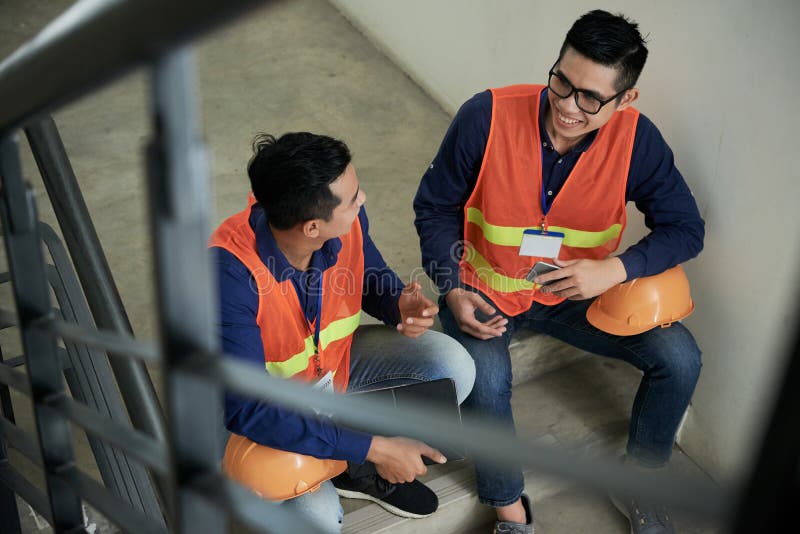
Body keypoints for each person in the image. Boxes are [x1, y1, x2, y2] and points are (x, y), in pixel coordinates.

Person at [414, 10, 704, 534]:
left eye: (590, 98)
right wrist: (451, 288)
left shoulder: (639, 141)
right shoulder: (487, 116)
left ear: (626, 100)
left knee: (680, 358)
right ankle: (511, 512)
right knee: (488, 379)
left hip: (577, 299)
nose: (567, 106)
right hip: (484, 293)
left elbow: (686, 229)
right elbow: (433, 208)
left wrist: (616, 269)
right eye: (561, 82)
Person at [212, 132, 475, 533]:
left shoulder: (343, 225)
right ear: (313, 227)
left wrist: (395, 304)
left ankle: (349, 467)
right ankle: (352, 457)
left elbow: (367, 273)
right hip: (270, 412)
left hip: (333, 378)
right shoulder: (229, 274)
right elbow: (250, 409)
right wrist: (377, 448)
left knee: (450, 363)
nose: (363, 199)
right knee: (316, 521)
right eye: (353, 199)